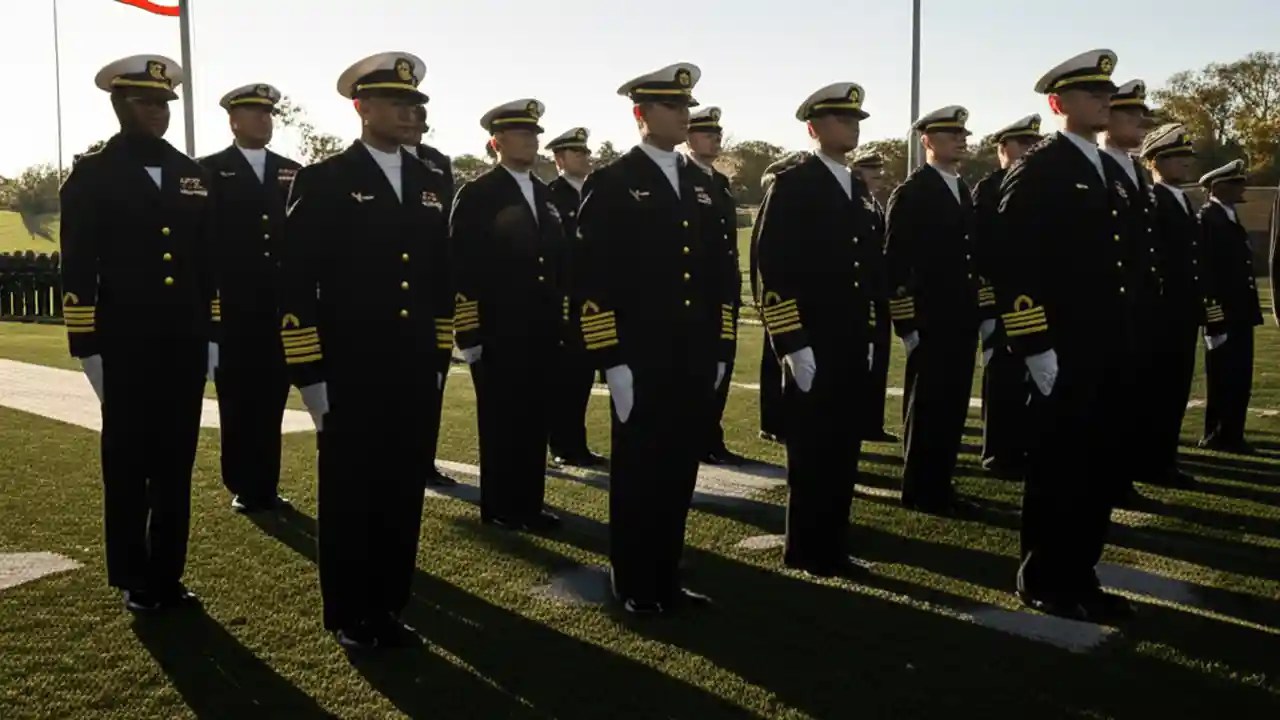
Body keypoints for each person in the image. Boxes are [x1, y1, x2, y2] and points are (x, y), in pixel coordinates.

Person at [279, 52, 454, 649]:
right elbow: (295, 279)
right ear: (362, 107)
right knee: (353, 494)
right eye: (399, 103)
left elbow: (436, 279)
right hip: (351, 368)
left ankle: (389, 605)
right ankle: (352, 614)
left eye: (416, 105)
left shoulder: (432, 181)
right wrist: (310, 371)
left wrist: (437, 357)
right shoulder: (326, 180)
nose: (411, 113)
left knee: (402, 492)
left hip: (410, 365)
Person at [575, 62, 736, 614]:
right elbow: (591, 279)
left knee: (678, 471)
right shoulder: (614, 181)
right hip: (641, 358)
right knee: (641, 472)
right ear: (641, 114)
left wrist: (718, 347)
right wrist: (611, 359)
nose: (683, 115)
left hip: (691, 355)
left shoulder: (700, 183)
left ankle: (665, 574)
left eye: (687, 107)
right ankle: (637, 584)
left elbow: (719, 276)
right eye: (672, 107)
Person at [60, 54, 214, 613]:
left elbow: (204, 261)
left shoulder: (191, 172)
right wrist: (87, 345)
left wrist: (211, 332)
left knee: (175, 464)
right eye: (146, 102)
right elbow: (77, 266)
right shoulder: (93, 172)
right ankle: (132, 575)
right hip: (124, 342)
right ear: (120, 105)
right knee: (127, 465)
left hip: (183, 342)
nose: (158, 112)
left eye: (163, 103)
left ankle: (167, 575)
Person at [994, 49, 1135, 622]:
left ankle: (1082, 573)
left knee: (1097, 467)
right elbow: (1011, 262)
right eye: (1090, 92)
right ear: (1058, 103)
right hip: (1061, 346)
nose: (1105, 98)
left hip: (1106, 345)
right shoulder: (1043, 167)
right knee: (1059, 468)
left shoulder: (1105, 168)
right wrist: (1035, 344)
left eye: (1107, 92)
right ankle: (1045, 579)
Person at [753, 81, 882, 577]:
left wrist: (870, 333)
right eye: (841, 119)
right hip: (812, 340)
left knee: (842, 450)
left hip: (849, 338)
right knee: (812, 453)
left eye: (855, 120)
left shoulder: (852, 186)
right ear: (814, 128)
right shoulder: (795, 183)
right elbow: (771, 269)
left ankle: (833, 545)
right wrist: (791, 341)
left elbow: (866, 269)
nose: (852, 126)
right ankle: (806, 548)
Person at [450, 98, 565, 532]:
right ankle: (500, 508)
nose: (530, 141)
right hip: (499, 330)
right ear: (495, 142)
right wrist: (470, 332)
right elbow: (462, 266)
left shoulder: (543, 193)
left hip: (541, 328)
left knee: (534, 420)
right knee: (502, 422)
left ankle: (529, 504)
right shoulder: (479, 193)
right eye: (520, 134)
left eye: (534, 134)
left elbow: (556, 262)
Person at [200, 82, 300, 513]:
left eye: (268, 113)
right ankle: (242, 483)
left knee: (273, 398)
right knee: (239, 400)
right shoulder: (207, 170)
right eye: (255, 113)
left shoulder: (292, 171)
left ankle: (266, 483)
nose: (265, 120)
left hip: (278, 309)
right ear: (233, 121)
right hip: (234, 309)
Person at [885, 105, 981, 517]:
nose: (961, 140)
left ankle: (940, 482)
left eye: (963, 134)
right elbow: (895, 264)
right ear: (927, 141)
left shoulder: (960, 187)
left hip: (960, 314)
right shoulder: (914, 190)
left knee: (952, 404)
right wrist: (907, 322)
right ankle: (921, 488)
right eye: (950, 134)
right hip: (930, 316)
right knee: (927, 406)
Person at [1140, 124, 1227, 486]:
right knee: (1158, 391)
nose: (1186, 164)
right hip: (1163, 313)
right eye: (1177, 157)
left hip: (1183, 311)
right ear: (1156, 162)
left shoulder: (1183, 201)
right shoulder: (1154, 200)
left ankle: (1164, 459)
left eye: (1187, 157)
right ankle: (1150, 462)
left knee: (1175, 388)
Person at [1099, 81, 1166, 504]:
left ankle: (1120, 478)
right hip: (1106, 307)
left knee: (1129, 400)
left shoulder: (1134, 169)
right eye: (1129, 115)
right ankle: (1107, 482)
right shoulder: (1099, 167)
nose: (1140, 124)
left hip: (1136, 305)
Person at [973, 114, 1041, 479]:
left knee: (1034, 377)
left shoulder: (1039, 183)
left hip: (1035, 300)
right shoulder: (990, 188)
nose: (1031, 150)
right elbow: (982, 252)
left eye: (1035, 143)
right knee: (1004, 376)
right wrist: (987, 307)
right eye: (1023, 144)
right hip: (1002, 301)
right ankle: (998, 451)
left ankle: (1025, 444)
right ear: (1003, 149)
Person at [685, 106, 747, 466]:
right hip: (697, 295)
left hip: (724, 295)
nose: (715, 139)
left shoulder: (719, 183)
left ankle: (711, 435)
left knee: (722, 363)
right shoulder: (681, 178)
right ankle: (695, 438)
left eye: (717, 134)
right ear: (690, 138)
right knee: (698, 370)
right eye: (707, 133)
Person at [403, 103, 459, 488]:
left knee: (429, 388)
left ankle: (424, 461)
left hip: (430, 291)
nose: (413, 127)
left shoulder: (437, 162)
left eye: (419, 122)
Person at [545, 127, 606, 468]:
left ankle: (576, 443)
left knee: (583, 375)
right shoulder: (552, 196)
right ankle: (563, 445)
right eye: (577, 152)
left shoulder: (595, 193)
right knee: (565, 379)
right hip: (565, 302)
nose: (585, 157)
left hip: (592, 303)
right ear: (560, 160)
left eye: (586, 152)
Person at [1198, 159, 1263, 454]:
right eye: (1237, 183)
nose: (1243, 187)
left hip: (1240, 312)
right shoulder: (1210, 219)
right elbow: (1208, 273)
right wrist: (1214, 318)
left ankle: (1232, 434)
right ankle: (1219, 434)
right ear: (1219, 187)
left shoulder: (1228, 216)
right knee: (1224, 377)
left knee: (1239, 376)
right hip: (1224, 314)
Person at [750, 152, 808, 445]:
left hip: (788, 298)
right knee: (774, 363)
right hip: (777, 300)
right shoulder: (773, 203)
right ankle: (772, 422)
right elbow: (761, 257)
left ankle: (781, 419)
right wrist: (766, 301)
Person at [850, 151, 896, 444]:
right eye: (873, 173)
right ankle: (859, 422)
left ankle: (871, 422)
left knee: (878, 359)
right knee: (862, 362)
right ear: (858, 173)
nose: (879, 179)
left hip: (877, 294)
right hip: (860, 294)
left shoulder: (873, 204)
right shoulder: (854, 202)